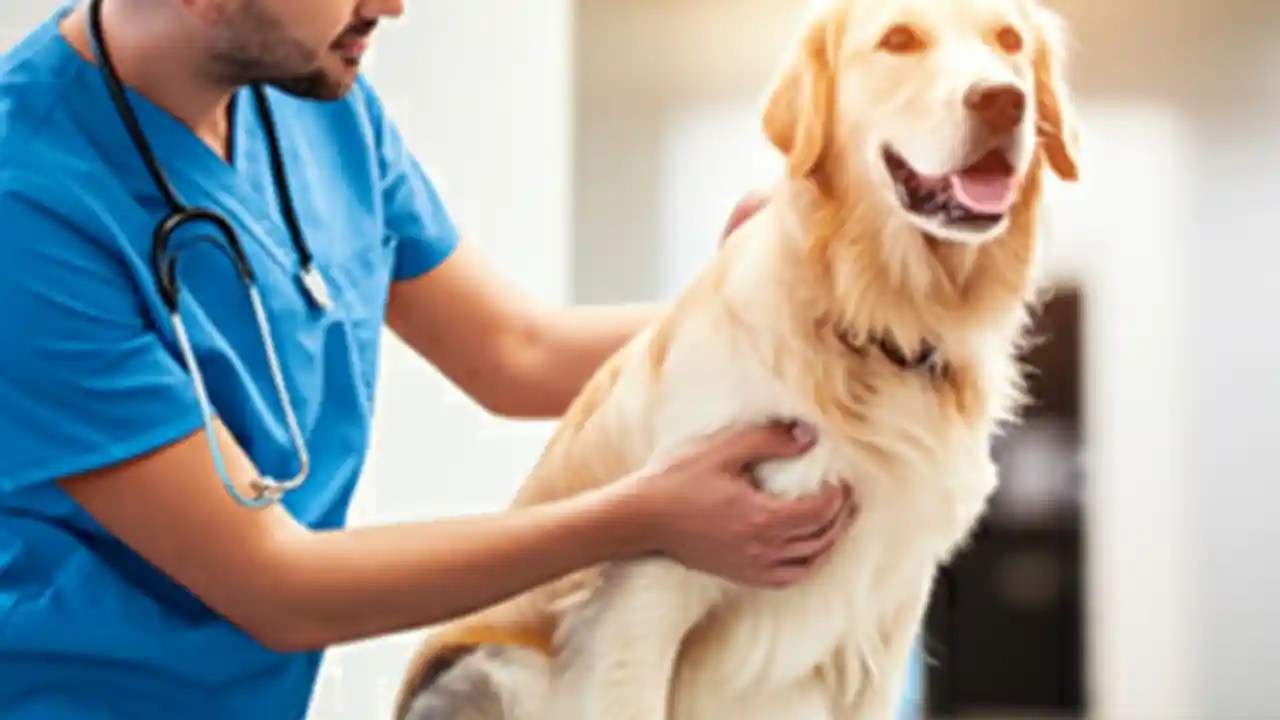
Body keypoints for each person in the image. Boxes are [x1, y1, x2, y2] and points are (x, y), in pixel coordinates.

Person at [0, 1, 858, 717]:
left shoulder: (315, 99)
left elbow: (514, 353)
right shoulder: (29, 202)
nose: (393, 3)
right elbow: (276, 586)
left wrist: (765, 315)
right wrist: (645, 517)